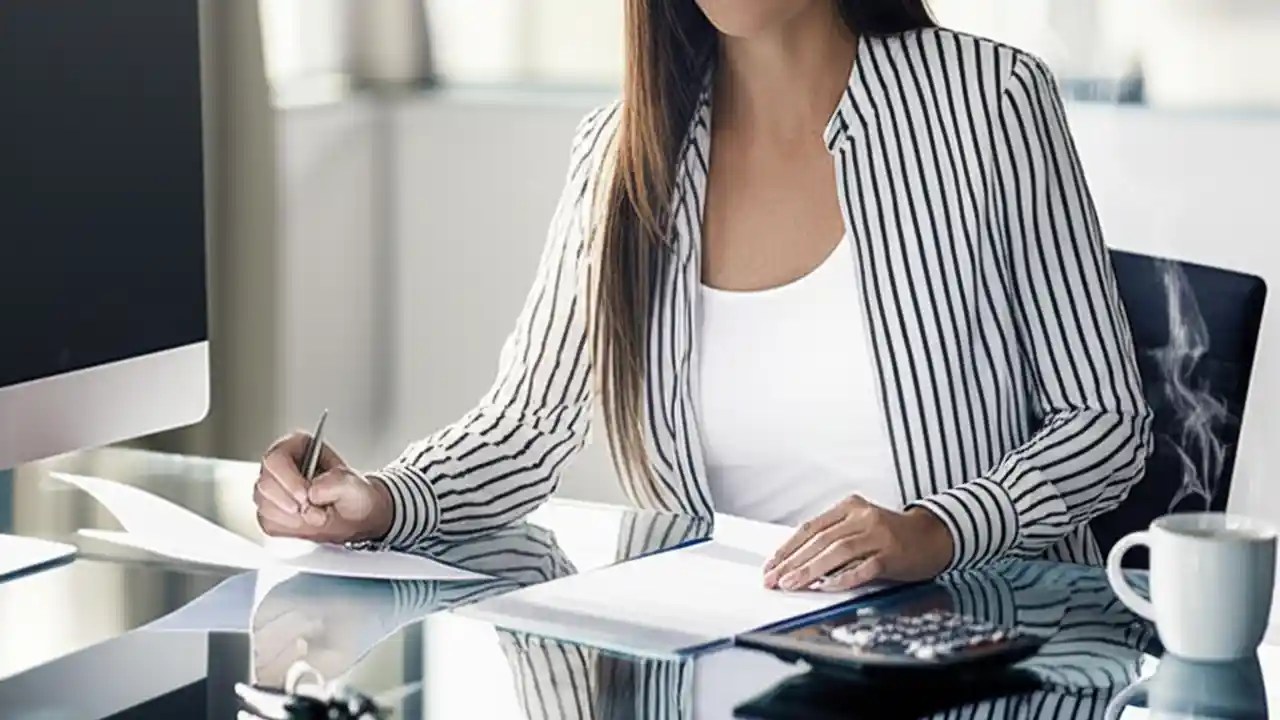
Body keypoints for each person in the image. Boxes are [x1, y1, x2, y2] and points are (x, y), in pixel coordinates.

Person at [254, 0, 1152, 591]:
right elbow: (523, 428)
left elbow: (1105, 421)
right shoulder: (623, 155)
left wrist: (939, 531)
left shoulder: (988, 102)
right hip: (723, 660)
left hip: (980, 646)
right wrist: (379, 500)